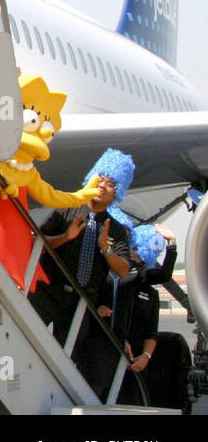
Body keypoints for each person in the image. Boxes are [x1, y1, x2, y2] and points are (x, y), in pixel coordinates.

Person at [29, 149, 133, 397]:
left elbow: (123, 269)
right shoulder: (66, 209)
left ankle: (51, 399)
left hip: (80, 302)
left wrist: (105, 249)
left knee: (66, 358)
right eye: (101, 179)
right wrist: (66, 237)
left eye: (111, 184)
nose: (104, 187)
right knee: (30, 342)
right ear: (90, 179)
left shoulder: (116, 229)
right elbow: (36, 241)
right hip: (48, 292)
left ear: (116, 193)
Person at [111, 223, 181, 406]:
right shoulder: (116, 278)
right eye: (131, 249)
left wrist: (146, 357)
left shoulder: (149, 290)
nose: (132, 253)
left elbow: (152, 330)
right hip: (113, 347)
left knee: (134, 401)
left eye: (136, 250)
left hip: (137, 360)